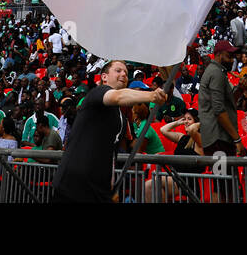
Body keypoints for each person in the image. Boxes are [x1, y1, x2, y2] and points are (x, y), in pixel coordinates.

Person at [50, 59, 165, 203]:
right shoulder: (97, 93)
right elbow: (118, 96)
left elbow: (112, 153)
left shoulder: (121, 117)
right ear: (104, 77)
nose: (123, 74)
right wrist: (151, 95)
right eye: (118, 70)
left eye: (126, 72)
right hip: (74, 183)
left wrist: (109, 186)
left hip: (99, 189)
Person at [199, 41, 244, 163]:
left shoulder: (216, 72)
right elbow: (218, 110)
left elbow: (228, 102)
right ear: (218, 55)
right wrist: (237, 139)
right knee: (223, 180)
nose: (232, 60)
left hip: (218, 138)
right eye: (229, 56)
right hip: (218, 139)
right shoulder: (216, 73)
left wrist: (240, 89)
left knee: (223, 179)